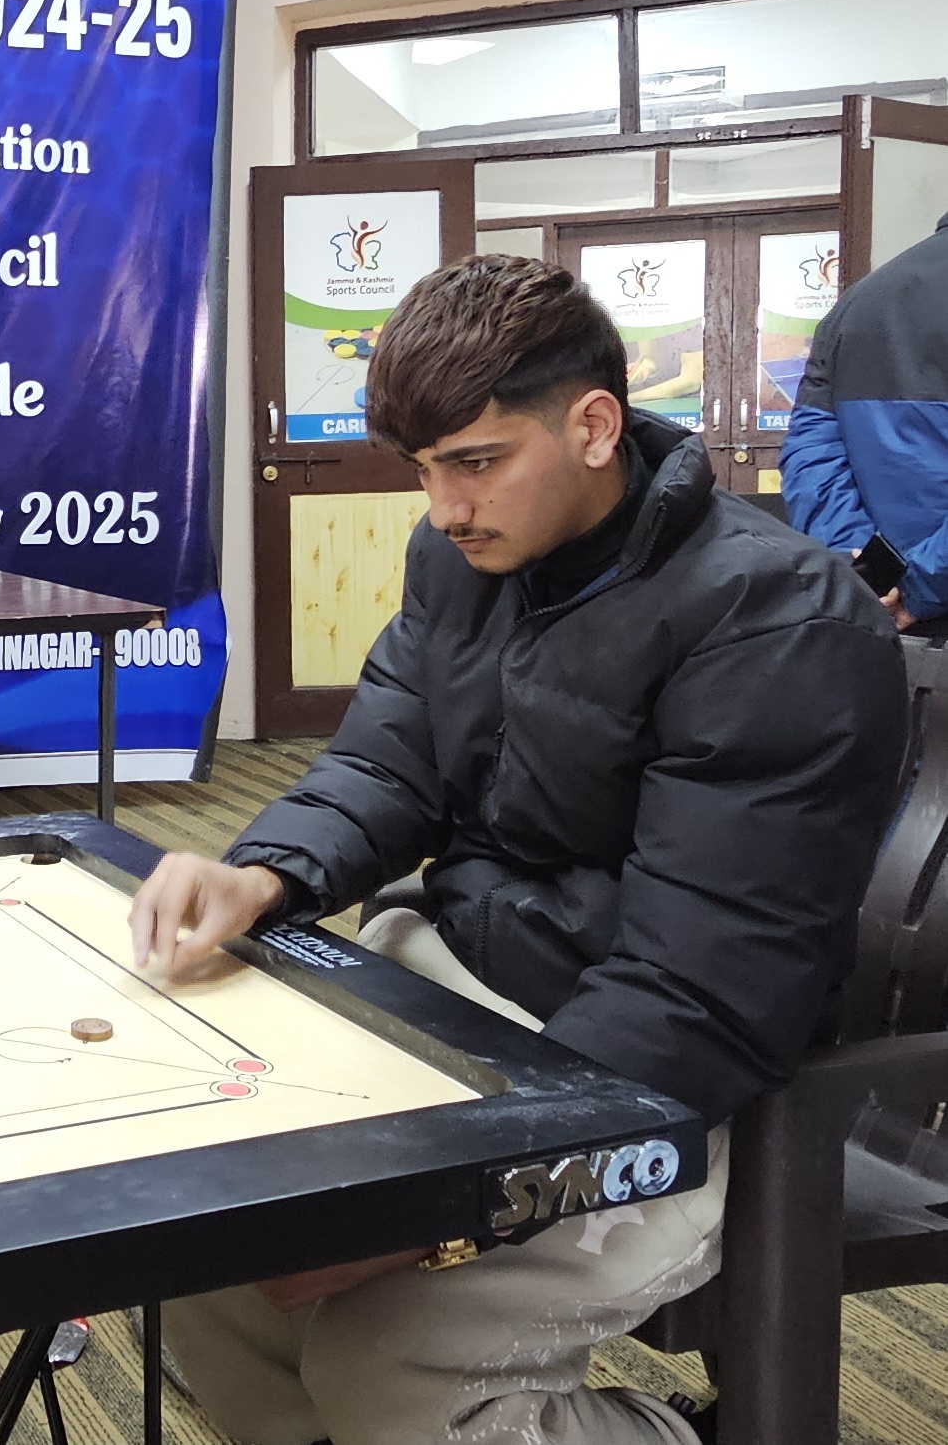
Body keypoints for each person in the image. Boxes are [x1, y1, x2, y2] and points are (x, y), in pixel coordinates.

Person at [135, 255, 906, 1445]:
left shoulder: (775, 616)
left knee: (394, 1359)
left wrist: (451, 1198)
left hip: (675, 1095)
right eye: (424, 467)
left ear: (593, 426)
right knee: (214, 1265)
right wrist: (261, 871)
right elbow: (389, 761)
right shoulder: (459, 560)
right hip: (467, 1001)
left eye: (476, 461)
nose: (444, 505)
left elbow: (699, 991)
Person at [780, 209, 948, 638]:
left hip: (878, 616)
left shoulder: (857, 303)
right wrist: (922, 584)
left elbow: (812, 449)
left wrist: (862, 571)